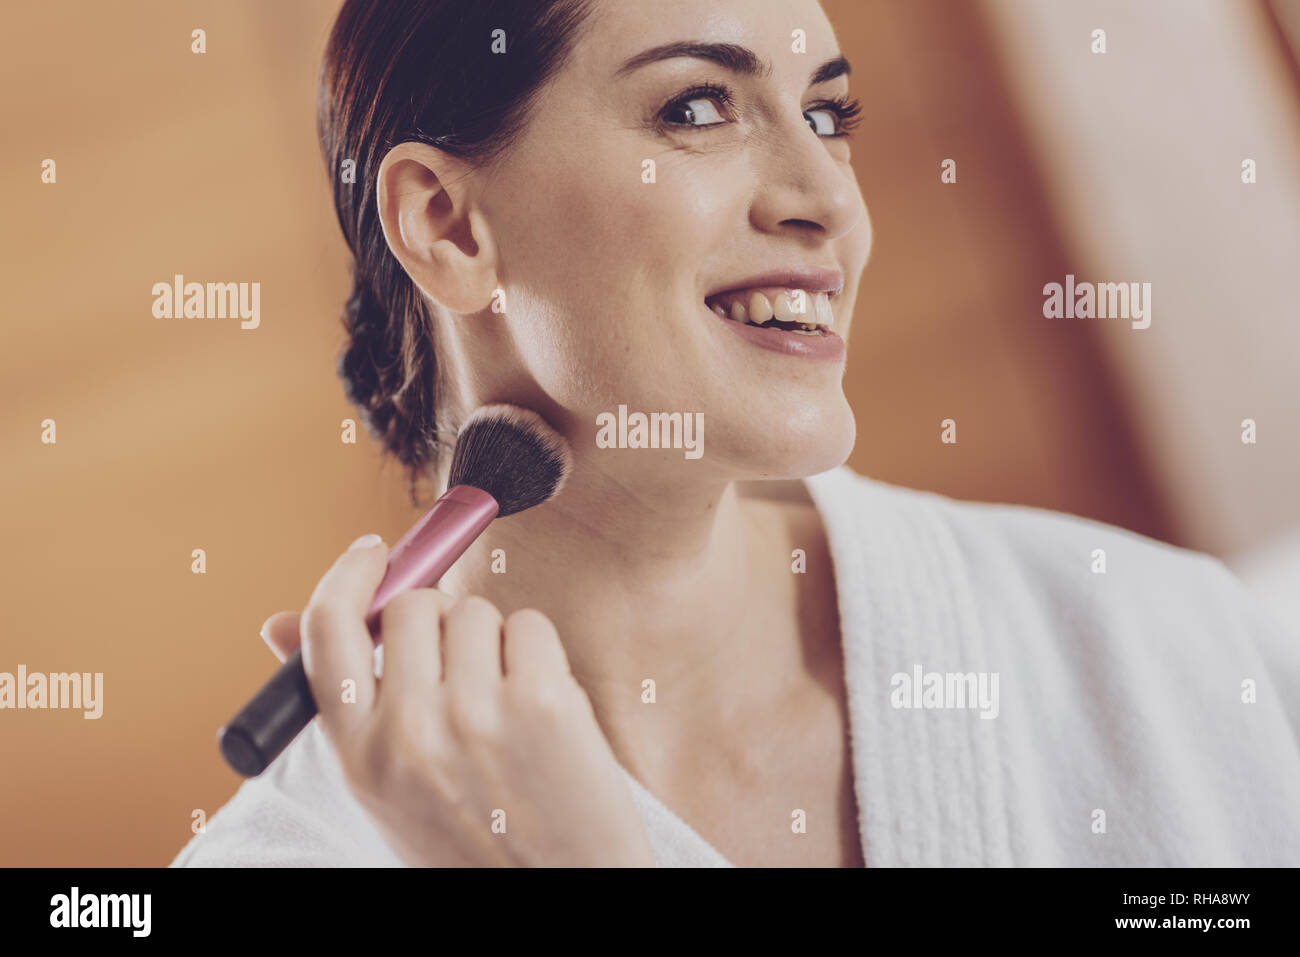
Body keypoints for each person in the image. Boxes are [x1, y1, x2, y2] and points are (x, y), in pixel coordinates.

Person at [173, 0, 1300, 867]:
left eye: (828, 115)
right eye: (698, 108)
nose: (827, 196)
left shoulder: (1157, 646)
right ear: (449, 224)